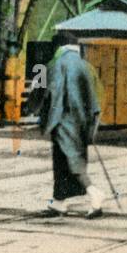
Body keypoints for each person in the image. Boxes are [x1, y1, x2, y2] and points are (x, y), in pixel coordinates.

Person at [39, 30, 105, 218]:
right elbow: (96, 97)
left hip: (64, 120)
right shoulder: (85, 65)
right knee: (63, 161)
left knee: (71, 161)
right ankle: (59, 202)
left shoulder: (57, 64)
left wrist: (46, 121)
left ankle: (95, 194)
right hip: (82, 121)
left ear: (59, 46)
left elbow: (52, 94)